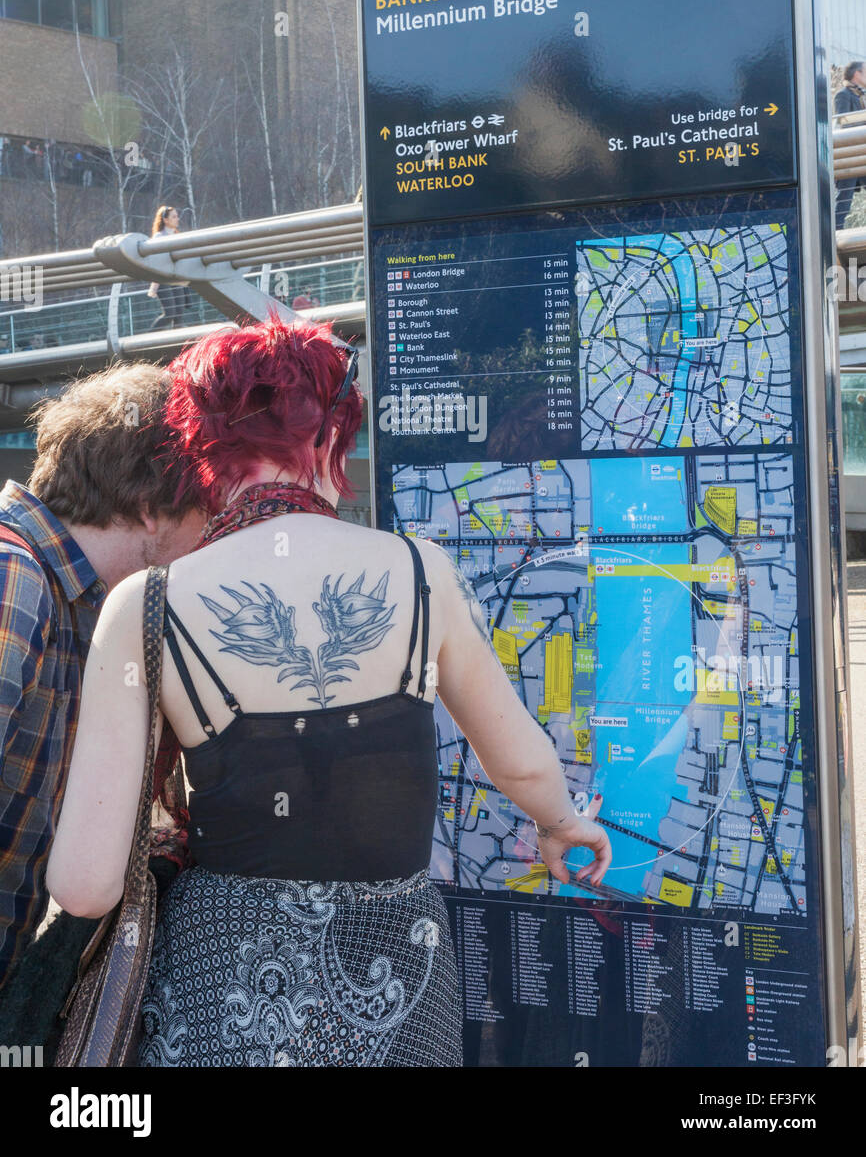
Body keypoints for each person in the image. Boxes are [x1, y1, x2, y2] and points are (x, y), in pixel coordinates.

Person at [47, 317, 611, 1068]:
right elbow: (520, 764)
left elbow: (84, 888)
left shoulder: (146, 607)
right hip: (401, 988)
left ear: (200, 445)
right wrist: (561, 823)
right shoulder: (420, 573)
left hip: (222, 990)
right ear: (335, 437)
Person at [0, 364, 206, 996]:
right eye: (209, 508)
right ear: (150, 508)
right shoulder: (15, 583)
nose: (214, 534)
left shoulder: (64, 598)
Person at [148, 205, 193, 330]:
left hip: (176, 278)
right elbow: (154, 260)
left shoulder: (178, 236)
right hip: (162, 279)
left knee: (178, 315)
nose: (177, 219)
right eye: (174, 216)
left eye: (177, 216)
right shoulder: (158, 237)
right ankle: (148, 338)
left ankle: (178, 346)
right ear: (165, 220)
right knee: (170, 314)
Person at [834, 60, 866, 230]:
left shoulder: (860, 96)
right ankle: (835, 232)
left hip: (861, 155)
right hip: (848, 155)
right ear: (857, 74)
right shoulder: (843, 95)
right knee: (844, 199)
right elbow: (844, 123)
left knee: (845, 198)